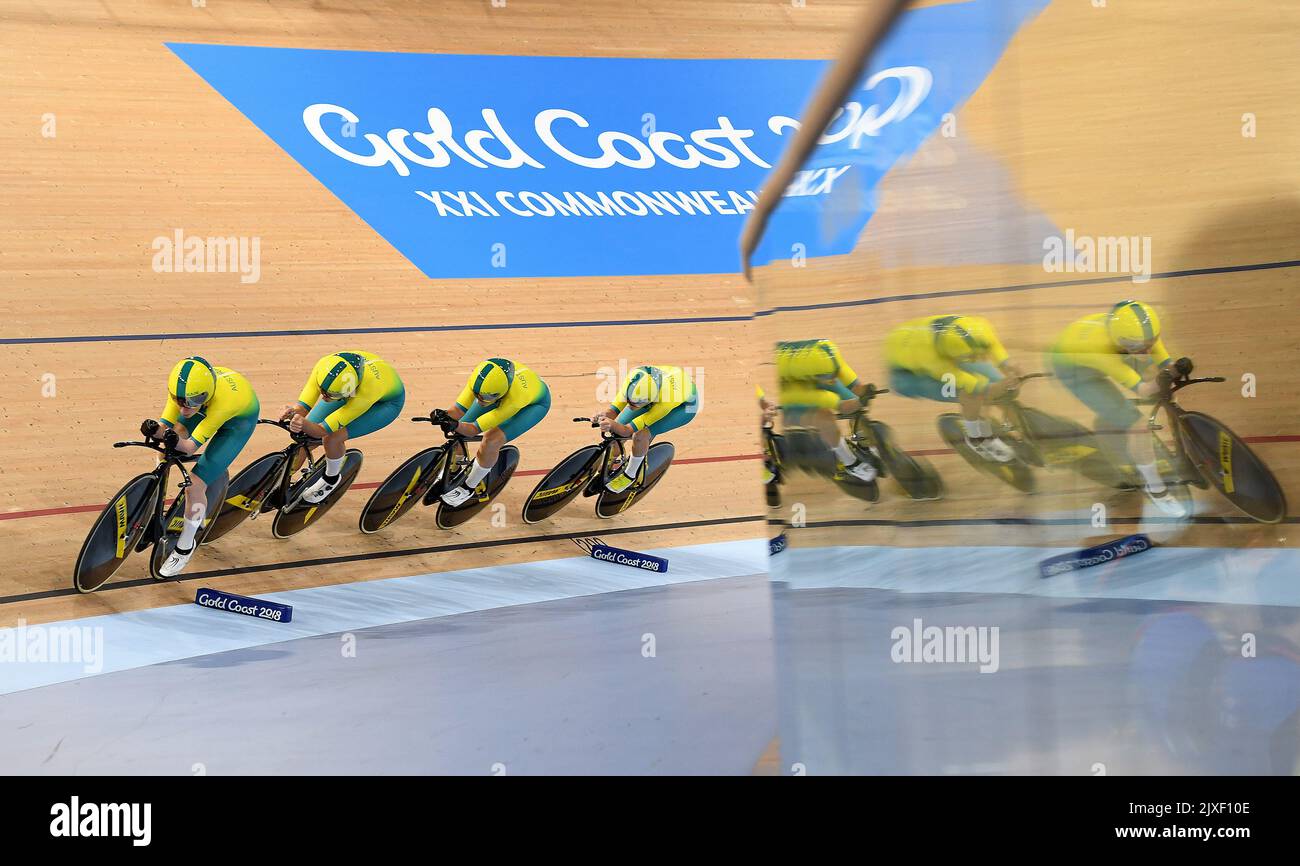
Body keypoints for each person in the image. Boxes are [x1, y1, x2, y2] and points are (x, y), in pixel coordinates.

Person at [1048, 300, 1185, 517]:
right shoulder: (1102, 350)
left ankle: (1182, 444)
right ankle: (1155, 489)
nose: (1148, 349)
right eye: (1140, 347)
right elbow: (1144, 389)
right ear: (1123, 341)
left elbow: (1164, 365)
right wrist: (1166, 376)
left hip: (1104, 348)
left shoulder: (1141, 335)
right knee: (1138, 425)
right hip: (1075, 369)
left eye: (1152, 342)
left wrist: (1176, 369)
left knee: (1164, 387)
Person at [143, 356, 259, 577]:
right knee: (165, 448)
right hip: (207, 405)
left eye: (191, 401)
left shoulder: (223, 403)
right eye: (179, 401)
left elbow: (188, 447)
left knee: (194, 485)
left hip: (237, 422)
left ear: (205, 394)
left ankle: (185, 546)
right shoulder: (184, 394)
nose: (184, 408)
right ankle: (156, 501)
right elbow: (165, 427)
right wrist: (153, 430)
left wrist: (171, 438)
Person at [884, 315, 1024, 462]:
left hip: (930, 347)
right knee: (971, 395)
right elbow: (972, 385)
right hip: (910, 375)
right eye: (971, 356)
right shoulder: (930, 358)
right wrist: (993, 388)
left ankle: (1008, 421)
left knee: (995, 380)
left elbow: (991, 343)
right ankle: (977, 440)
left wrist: (1007, 364)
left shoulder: (978, 327)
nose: (978, 358)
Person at [280, 351, 405, 504]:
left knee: (332, 438)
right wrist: (293, 412)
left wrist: (303, 423)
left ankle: (330, 479)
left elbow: (323, 431)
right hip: (349, 390)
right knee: (305, 439)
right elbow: (303, 407)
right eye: (323, 392)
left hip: (385, 405)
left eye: (330, 395)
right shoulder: (325, 367)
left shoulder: (367, 391)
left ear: (349, 391)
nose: (325, 398)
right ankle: (281, 480)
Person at [436, 357, 551, 507]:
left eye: (486, 397)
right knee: (459, 426)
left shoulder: (516, 398)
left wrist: (455, 424)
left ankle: (469, 487)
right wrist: (442, 415)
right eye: (477, 395)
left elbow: (473, 429)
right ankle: (455, 466)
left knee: (491, 440)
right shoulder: (481, 383)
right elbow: (457, 411)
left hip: (534, 405)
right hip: (504, 391)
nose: (481, 400)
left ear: (499, 393)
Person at [775, 339, 877, 483]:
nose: (833, 378)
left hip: (810, 371)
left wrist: (865, 393)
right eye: (828, 377)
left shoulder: (828, 353)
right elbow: (841, 406)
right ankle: (849, 463)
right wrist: (858, 402)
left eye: (833, 373)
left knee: (855, 399)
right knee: (825, 418)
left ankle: (862, 440)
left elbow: (856, 388)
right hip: (797, 388)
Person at [595, 365, 699, 493]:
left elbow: (627, 430)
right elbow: (613, 411)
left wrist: (612, 424)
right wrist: (603, 416)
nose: (630, 406)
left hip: (683, 409)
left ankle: (631, 475)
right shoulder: (634, 380)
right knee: (617, 430)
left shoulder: (666, 402)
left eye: (635, 404)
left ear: (650, 400)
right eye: (629, 401)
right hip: (657, 392)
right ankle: (610, 462)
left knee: (640, 436)